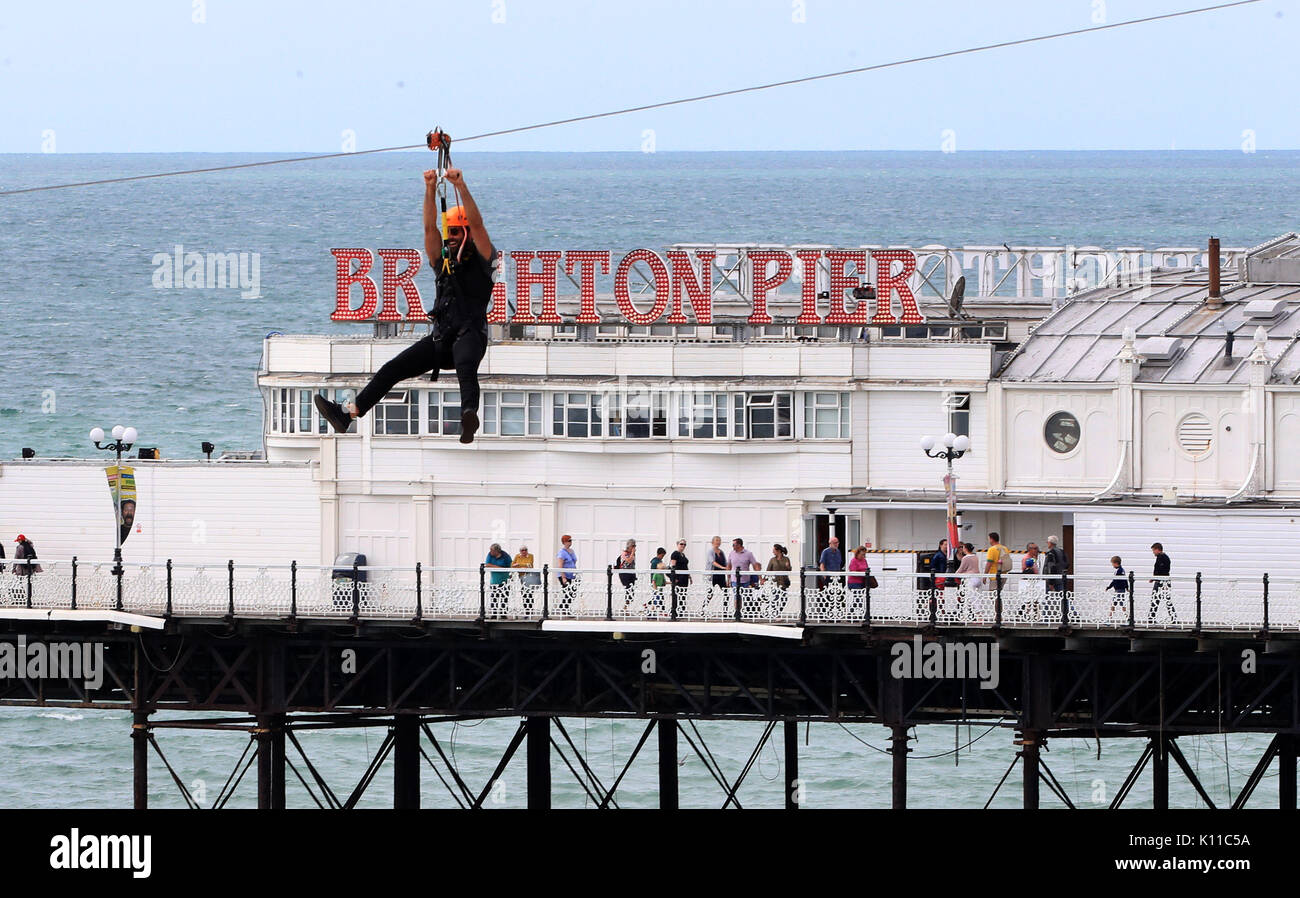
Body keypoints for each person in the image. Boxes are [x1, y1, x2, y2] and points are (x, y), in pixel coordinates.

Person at [315, 165, 496, 444]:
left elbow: (479, 225)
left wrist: (460, 186)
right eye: (451, 234)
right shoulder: (442, 263)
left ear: (468, 234)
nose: (452, 239)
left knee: (466, 368)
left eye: (458, 234)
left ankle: (468, 416)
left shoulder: (484, 261)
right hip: (441, 338)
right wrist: (429, 187)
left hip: (470, 335)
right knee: (392, 369)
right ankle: (347, 414)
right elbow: (429, 227)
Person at [727, 538, 761, 611]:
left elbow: (755, 566)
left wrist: (760, 578)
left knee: (746, 597)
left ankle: (745, 612)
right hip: (734, 580)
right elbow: (729, 566)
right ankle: (737, 613)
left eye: (734, 545)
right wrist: (728, 579)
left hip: (746, 580)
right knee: (737, 596)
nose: (732, 546)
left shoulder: (748, 554)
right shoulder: (731, 553)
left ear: (739, 545)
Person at [1148, 542, 1174, 623]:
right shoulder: (1163, 557)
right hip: (1161, 580)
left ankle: (1151, 618)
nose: (1153, 553)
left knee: (1156, 599)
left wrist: (1155, 577)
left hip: (1161, 581)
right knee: (1165, 599)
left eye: (1153, 551)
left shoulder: (1161, 557)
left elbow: (1161, 570)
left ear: (1157, 549)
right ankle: (1173, 617)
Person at [765, 543, 793, 616]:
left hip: (784, 582)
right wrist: (764, 579)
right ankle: (775, 613)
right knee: (776, 598)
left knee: (784, 599)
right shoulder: (772, 560)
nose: (773, 552)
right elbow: (768, 570)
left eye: (774, 550)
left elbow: (789, 570)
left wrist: (788, 566)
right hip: (775, 583)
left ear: (778, 551)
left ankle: (778, 612)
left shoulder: (786, 559)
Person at [485, 543, 512, 616]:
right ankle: (494, 614)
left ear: (497, 551)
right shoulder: (490, 555)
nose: (490, 551)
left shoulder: (505, 556)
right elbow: (487, 564)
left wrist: (510, 575)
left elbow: (510, 566)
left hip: (505, 580)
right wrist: (498, 567)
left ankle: (503, 614)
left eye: (492, 550)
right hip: (494, 580)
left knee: (504, 597)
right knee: (494, 597)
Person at [512, 545, 539, 613]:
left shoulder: (530, 556)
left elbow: (530, 565)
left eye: (525, 550)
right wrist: (523, 565)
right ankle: (526, 610)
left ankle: (530, 610)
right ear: (520, 551)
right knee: (523, 593)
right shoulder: (517, 556)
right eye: (522, 550)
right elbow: (512, 565)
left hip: (528, 576)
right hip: (521, 576)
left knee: (529, 593)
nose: (524, 551)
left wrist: (519, 564)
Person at [556, 535, 578, 614]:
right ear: (564, 542)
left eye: (571, 540)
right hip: (564, 575)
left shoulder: (571, 551)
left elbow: (574, 561)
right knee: (568, 592)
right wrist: (563, 577)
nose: (570, 542)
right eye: (569, 540)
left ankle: (563, 607)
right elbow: (560, 565)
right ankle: (564, 609)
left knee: (573, 592)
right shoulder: (562, 552)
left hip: (572, 575)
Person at [847, 545, 871, 618]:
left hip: (862, 582)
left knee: (860, 598)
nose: (863, 556)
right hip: (854, 582)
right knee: (858, 598)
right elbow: (853, 571)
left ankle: (856, 615)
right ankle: (851, 614)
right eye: (862, 554)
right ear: (857, 553)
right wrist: (862, 573)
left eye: (864, 554)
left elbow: (866, 568)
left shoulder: (864, 560)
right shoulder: (854, 561)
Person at [669, 539, 691, 613]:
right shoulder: (675, 554)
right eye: (681, 544)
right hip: (678, 578)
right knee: (677, 594)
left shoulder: (683, 555)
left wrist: (689, 576)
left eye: (684, 544)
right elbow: (672, 567)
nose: (683, 546)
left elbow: (685, 566)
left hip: (684, 578)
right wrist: (674, 578)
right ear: (677, 544)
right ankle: (675, 612)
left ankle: (681, 611)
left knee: (683, 594)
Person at [616, 539, 638, 610]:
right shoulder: (624, 553)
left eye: (635, 546)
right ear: (629, 546)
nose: (634, 547)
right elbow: (629, 561)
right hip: (624, 573)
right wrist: (632, 553)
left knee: (631, 591)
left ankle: (625, 607)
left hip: (631, 573)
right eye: (633, 546)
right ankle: (625, 608)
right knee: (628, 588)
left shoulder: (633, 554)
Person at [707, 536, 728, 605]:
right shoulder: (710, 551)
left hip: (721, 576)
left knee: (726, 592)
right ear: (712, 542)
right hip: (713, 576)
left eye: (719, 540)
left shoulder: (721, 552)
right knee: (710, 593)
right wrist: (721, 567)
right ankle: (703, 609)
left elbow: (725, 562)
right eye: (716, 540)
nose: (718, 542)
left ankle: (725, 612)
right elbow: (712, 562)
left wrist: (728, 567)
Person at [1106, 555, 1129, 620]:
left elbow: (1114, 580)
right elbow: (1125, 580)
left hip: (1119, 590)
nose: (1112, 565)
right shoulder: (1122, 570)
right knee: (1120, 604)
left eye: (1112, 564)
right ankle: (1127, 617)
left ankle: (1110, 619)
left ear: (1116, 563)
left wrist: (1109, 587)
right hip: (1121, 590)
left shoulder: (1119, 571)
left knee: (1115, 604)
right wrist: (1127, 587)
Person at [648, 547, 668, 615]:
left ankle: (659, 610)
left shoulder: (659, 561)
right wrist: (654, 584)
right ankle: (653, 611)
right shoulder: (655, 562)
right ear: (658, 554)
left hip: (659, 584)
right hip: (656, 583)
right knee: (656, 597)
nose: (662, 557)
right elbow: (654, 574)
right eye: (662, 555)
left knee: (659, 597)